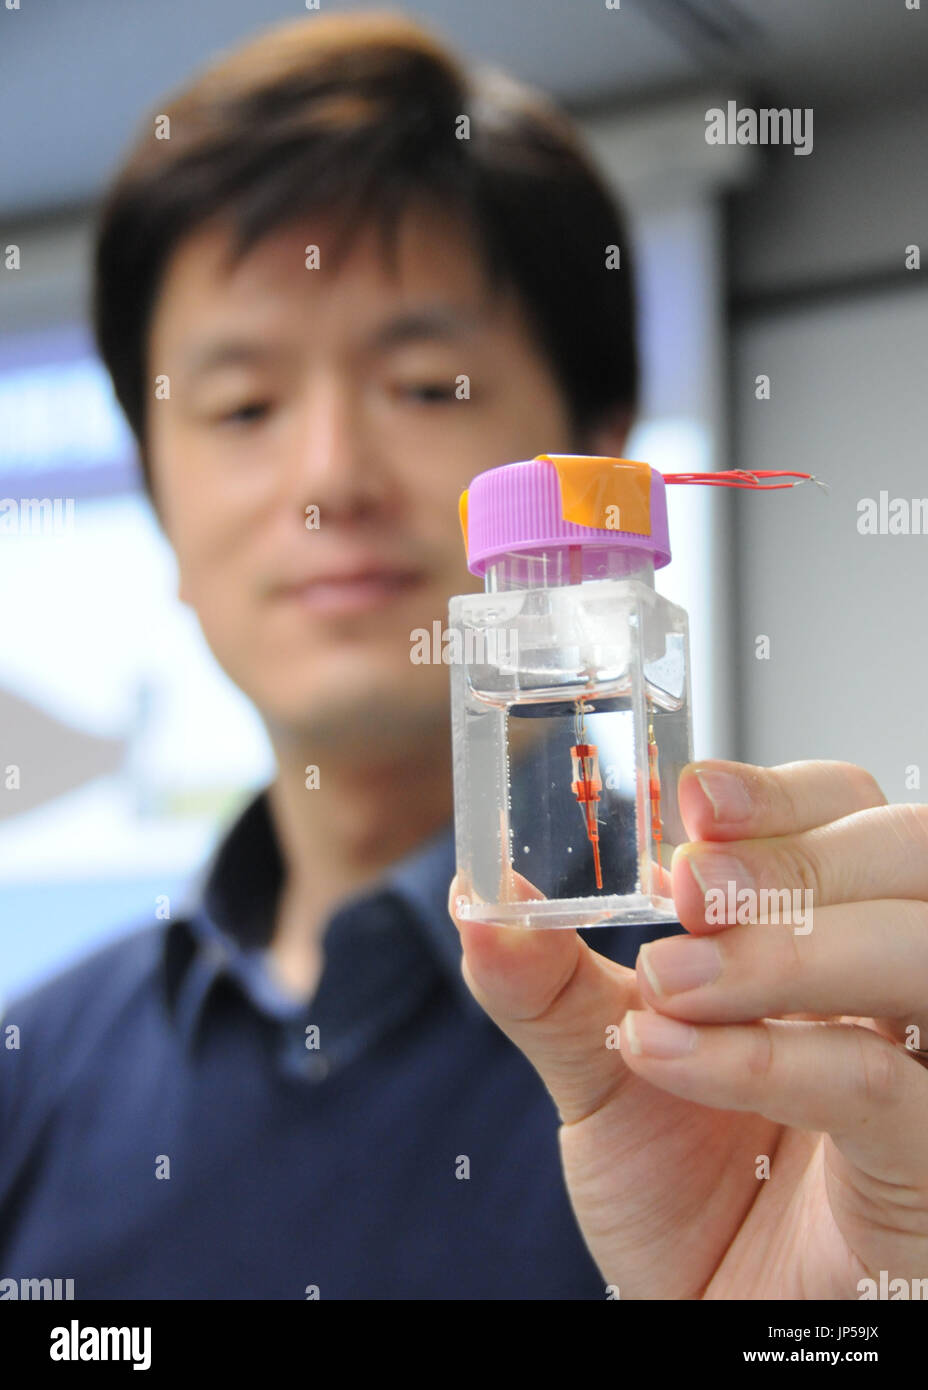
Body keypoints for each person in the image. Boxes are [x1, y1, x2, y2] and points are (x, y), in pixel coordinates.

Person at [0, 9, 670, 1300]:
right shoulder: (30, 1077)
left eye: (426, 385)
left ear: (599, 462)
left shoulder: (767, 1036)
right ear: (157, 501)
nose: (327, 482)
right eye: (243, 405)